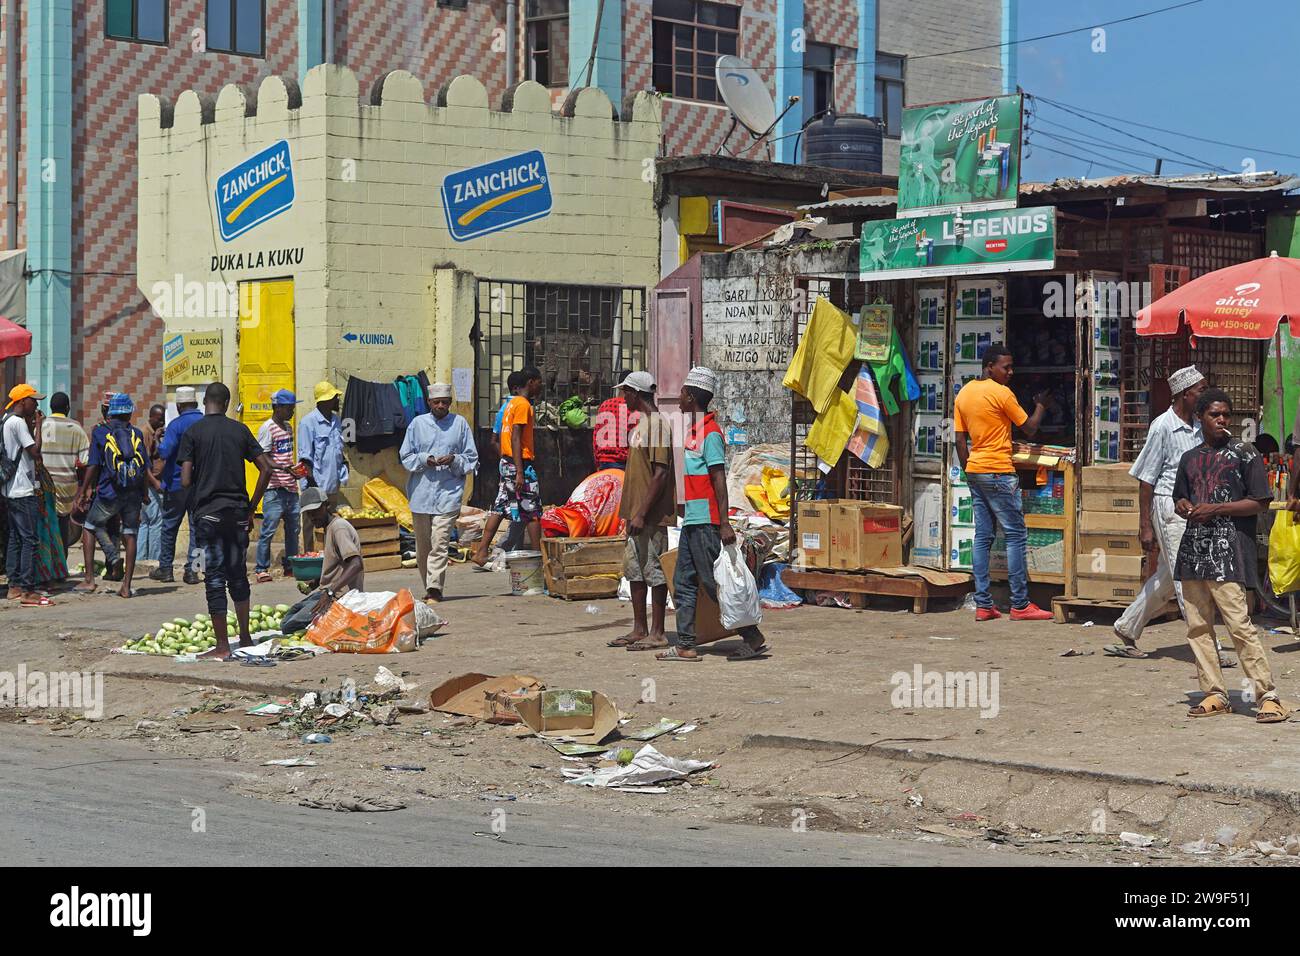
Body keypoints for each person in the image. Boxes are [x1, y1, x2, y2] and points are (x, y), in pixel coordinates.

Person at [1172, 388, 1288, 722]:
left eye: (1226, 415)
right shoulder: (1189, 458)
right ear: (1200, 418)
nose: (1222, 420)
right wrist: (1185, 506)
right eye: (1215, 415)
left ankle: (1268, 695)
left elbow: (1260, 502)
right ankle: (1214, 693)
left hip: (1230, 552)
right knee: (1197, 626)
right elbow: (1181, 498)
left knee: (1239, 625)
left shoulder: (1245, 454)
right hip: (1194, 552)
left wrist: (1217, 508)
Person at [657, 367, 768, 662]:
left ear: (691, 397)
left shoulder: (711, 434)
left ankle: (752, 637)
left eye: (682, 391)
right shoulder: (695, 432)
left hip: (707, 523)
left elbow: (719, 479)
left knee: (713, 583)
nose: (678, 396)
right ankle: (686, 645)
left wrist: (724, 523)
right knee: (684, 582)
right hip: (693, 521)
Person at [1108, 366, 1213, 658]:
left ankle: (1127, 626)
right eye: (1201, 390)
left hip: (1192, 509)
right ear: (1184, 394)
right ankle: (1208, 646)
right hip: (1168, 508)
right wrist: (1145, 524)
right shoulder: (1162, 427)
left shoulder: (1197, 426)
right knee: (1188, 578)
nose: (1204, 396)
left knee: (1169, 576)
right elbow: (1147, 479)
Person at [952, 346, 1055, 622]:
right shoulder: (1002, 394)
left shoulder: (963, 394)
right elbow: (1030, 427)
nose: (1010, 372)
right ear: (989, 367)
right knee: (1015, 535)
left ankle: (984, 604)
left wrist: (970, 470)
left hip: (976, 471)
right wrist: (1042, 405)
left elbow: (960, 441)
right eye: (1005, 367)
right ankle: (1020, 604)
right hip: (998, 471)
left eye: (1011, 367)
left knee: (983, 537)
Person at [178, 382, 273, 660]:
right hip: (237, 515)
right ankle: (244, 636)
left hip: (208, 516)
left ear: (204, 401)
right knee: (238, 573)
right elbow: (266, 467)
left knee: (214, 578)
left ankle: (222, 646)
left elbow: (184, 479)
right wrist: (252, 507)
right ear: (227, 403)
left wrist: (198, 490)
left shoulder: (193, 432)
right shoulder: (240, 430)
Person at [606, 372, 676, 651]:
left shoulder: (658, 425)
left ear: (636, 393)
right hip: (635, 513)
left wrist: (642, 514)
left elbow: (660, 474)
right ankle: (639, 628)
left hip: (651, 515)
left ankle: (658, 631)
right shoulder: (641, 425)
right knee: (635, 571)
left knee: (655, 571)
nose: (624, 398)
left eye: (626, 393)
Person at [76, 394, 161, 598]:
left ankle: (90, 579)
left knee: (90, 526)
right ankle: (126, 586)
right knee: (130, 533)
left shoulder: (100, 433)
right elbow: (143, 466)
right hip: (132, 494)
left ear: (111, 412)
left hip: (108, 492)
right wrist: (144, 493)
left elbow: (94, 465)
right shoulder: (137, 434)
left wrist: (83, 491)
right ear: (129, 412)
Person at [400, 381, 478, 604]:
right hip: (421, 494)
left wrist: (454, 459)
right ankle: (429, 586)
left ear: (450, 403)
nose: (441, 406)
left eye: (445, 402)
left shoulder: (460, 424)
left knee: (440, 541)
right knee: (423, 546)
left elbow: (471, 458)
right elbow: (406, 456)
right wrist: (426, 459)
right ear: (429, 403)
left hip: (449, 493)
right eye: (437, 402)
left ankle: (435, 588)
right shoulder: (417, 424)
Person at [472, 367, 543, 565]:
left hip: (508, 463)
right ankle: (538, 560)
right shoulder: (522, 404)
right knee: (533, 512)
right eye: (539, 381)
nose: (541, 385)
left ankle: (482, 551)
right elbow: (516, 437)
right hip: (519, 463)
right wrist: (520, 471)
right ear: (530, 382)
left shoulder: (509, 405)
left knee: (501, 506)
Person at [279, 487, 365, 634]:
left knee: (288, 626)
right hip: (327, 592)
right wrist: (316, 582)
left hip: (340, 598)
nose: (313, 517)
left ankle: (330, 623)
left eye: (316, 511)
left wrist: (330, 592)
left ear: (327, 505)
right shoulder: (328, 528)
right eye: (309, 514)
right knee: (289, 617)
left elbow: (356, 564)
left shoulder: (339, 528)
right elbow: (339, 566)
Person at [3, 384, 54, 606]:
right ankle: (27, 590)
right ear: (22, 401)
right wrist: (39, 426)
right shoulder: (17, 423)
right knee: (30, 540)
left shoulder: (5, 420)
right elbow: (35, 452)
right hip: (23, 489)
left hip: (10, 490)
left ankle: (14, 585)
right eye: (33, 400)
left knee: (16, 538)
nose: (37, 404)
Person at [151, 386, 203, 584]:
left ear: (180, 406)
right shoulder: (204, 422)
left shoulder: (175, 425)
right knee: (198, 528)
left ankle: (165, 569)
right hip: (200, 485)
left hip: (175, 483)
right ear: (196, 404)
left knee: (169, 527)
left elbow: (164, 453)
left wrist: (157, 439)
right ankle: (194, 571)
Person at [254, 389, 302, 583]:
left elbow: (287, 455)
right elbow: (263, 457)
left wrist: (295, 470)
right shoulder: (267, 428)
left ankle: (289, 565)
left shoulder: (288, 427)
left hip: (290, 487)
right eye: (289, 408)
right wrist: (283, 467)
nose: (291, 411)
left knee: (293, 529)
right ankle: (261, 568)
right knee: (268, 530)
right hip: (274, 488)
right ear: (278, 407)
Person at [40, 391, 90, 549]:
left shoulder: (41, 425)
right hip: (67, 484)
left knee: (46, 523)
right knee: (63, 521)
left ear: (50, 407)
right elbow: (85, 460)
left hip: (44, 483)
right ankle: (61, 563)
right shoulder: (76, 427)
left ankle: (48, 564)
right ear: (68, 407)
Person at [298, 380, 349, 503]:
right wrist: (314, 490)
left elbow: (338, 449)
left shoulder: (336, 421)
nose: (338, 400)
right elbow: (305, 459)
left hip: (333, 488)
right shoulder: (308, 423)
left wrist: (344, 468)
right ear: (325, 401)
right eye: (334, 397)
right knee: (313, 521)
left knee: (330, 522)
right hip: (315, 488)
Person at [133, 403, 166, 563]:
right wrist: (154, 481)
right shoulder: (145, 433)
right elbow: (144, 463)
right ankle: (153, 559)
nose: (162, 423)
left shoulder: (153, 433)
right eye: (159, 420)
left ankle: (140, 559)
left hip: (149, 485)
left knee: (145, 522)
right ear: (151, 417)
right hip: (149, 485)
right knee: (156, 520)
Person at [592, 390, 635, 471]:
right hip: (624, 461)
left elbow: (595, 437)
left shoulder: (605, 405)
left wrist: (597, 462)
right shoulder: (632, 408)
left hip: (604, 461)